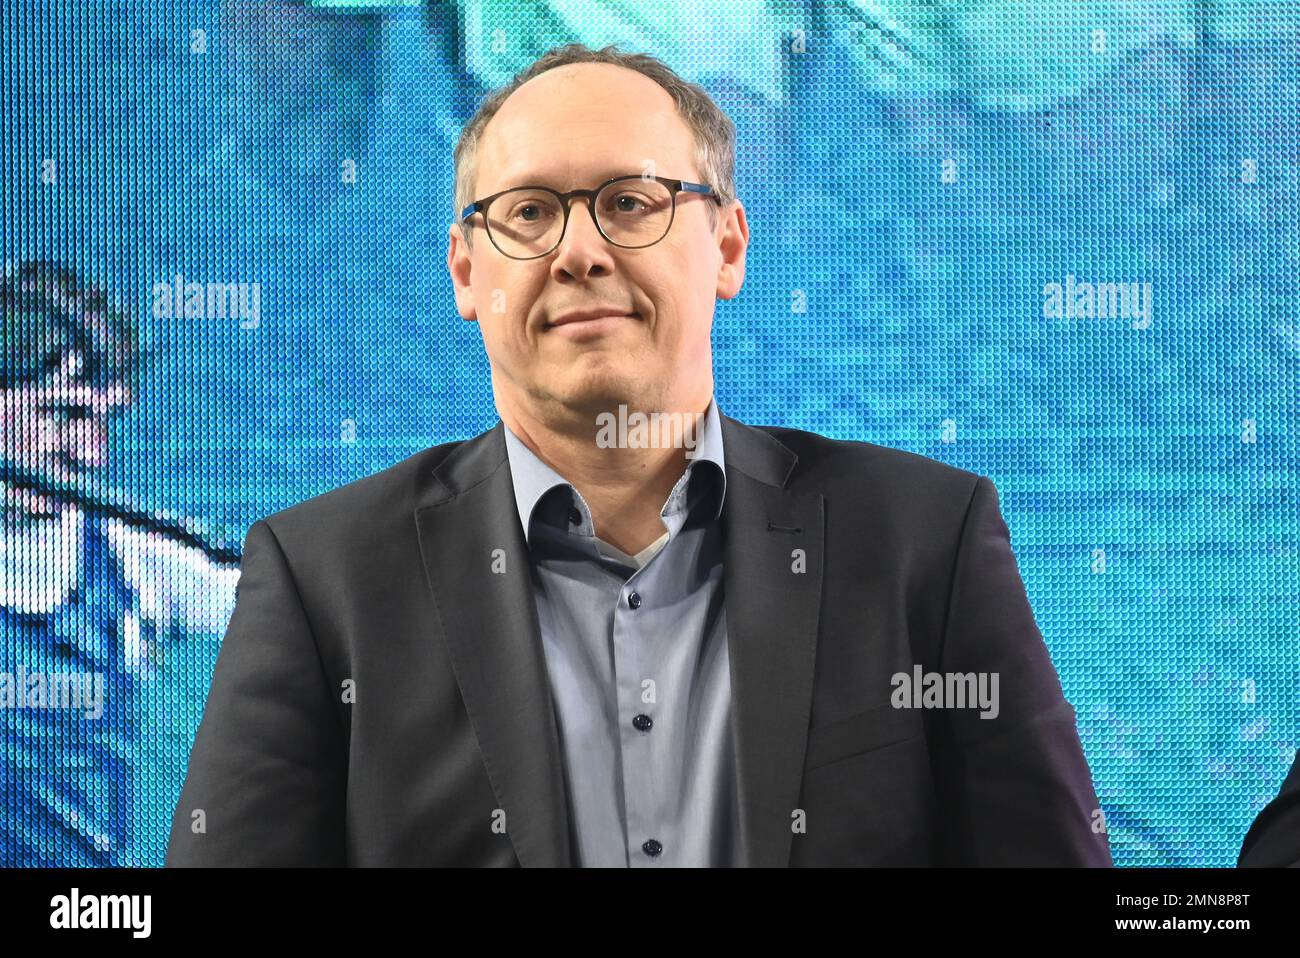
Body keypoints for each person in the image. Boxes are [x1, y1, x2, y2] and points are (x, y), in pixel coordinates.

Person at [167, 43, 1112, 867]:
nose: (578, 251)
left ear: (729, 245)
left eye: (629, 202)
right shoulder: (321, 576)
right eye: (529, 214)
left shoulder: (924, 543)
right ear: (466, 270)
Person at [0, 260, 238, 865]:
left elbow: (309, 600)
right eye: (68, 417)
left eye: (104, 422)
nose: (92, 455)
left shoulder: (137, 561)